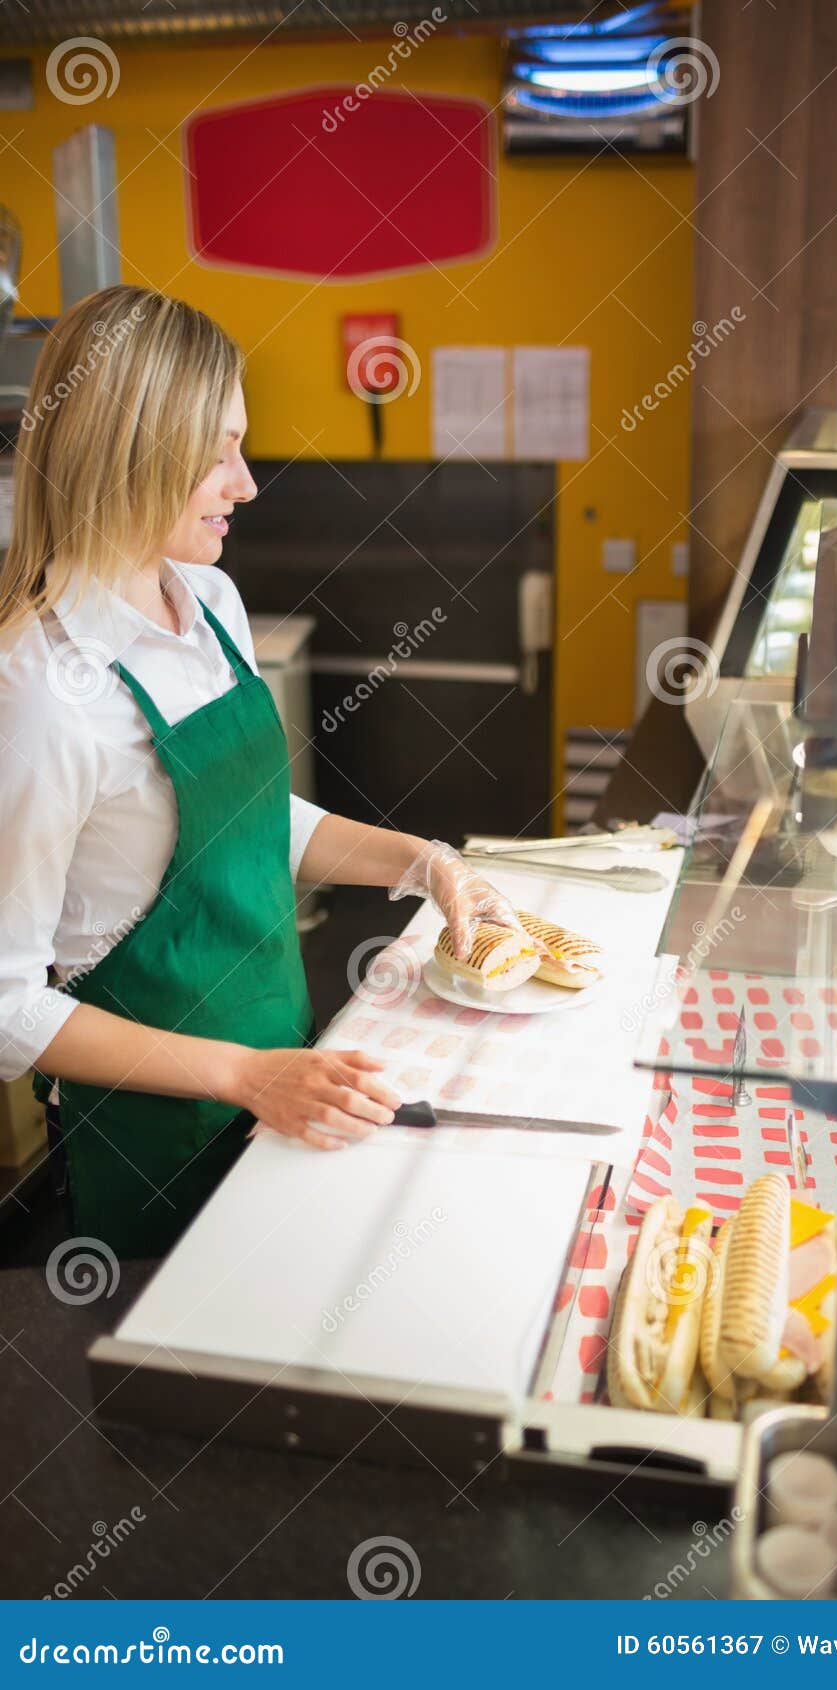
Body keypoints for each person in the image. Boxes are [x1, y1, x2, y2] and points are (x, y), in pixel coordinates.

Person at [0, 285, 531, 1257]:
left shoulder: (207, 600)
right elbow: (7, 1010)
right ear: (130, 451)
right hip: (151, 1129)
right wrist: (244, 1075)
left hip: (284, 1062)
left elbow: (250, 822)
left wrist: (426, 864)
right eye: (217, 455)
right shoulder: (40, 695)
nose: (245, 484)